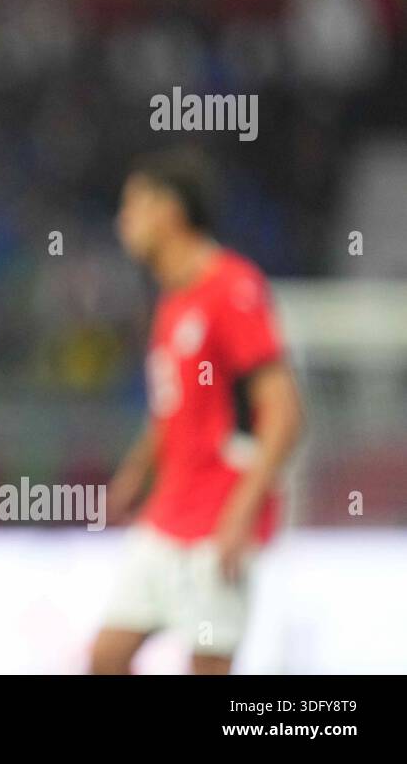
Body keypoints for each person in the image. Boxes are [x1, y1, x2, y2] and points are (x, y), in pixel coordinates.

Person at [91, 147, 305, 674]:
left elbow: (285, 414)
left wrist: (241, 514)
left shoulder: (233, 289)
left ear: (170, 211)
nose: (124, 221)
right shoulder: (172, 302)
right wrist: (138, 469)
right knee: (106, 657)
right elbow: (174, 408)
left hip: (220, 515)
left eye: (133, 206)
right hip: (169, 513)